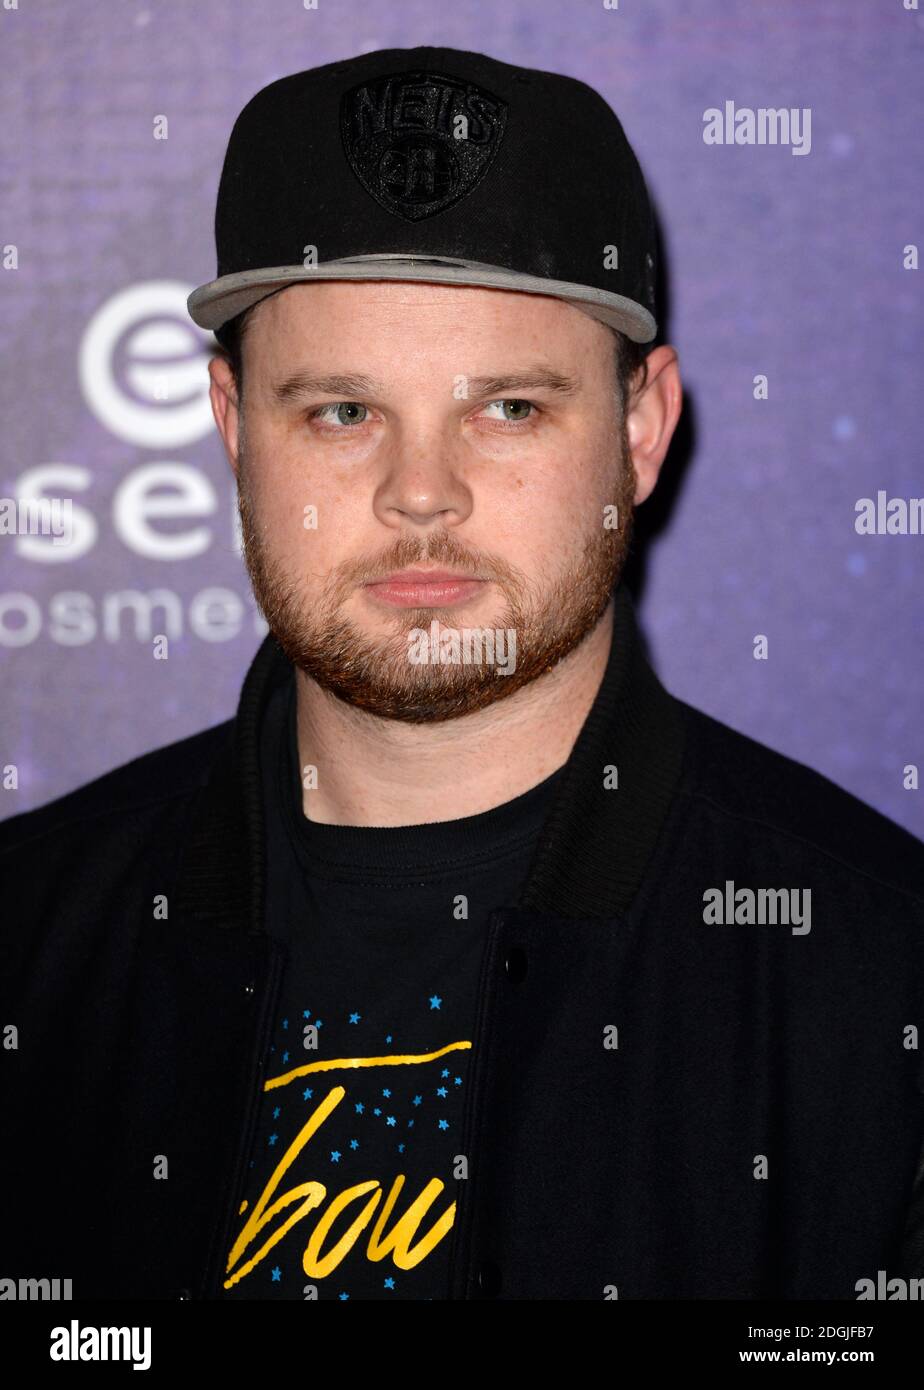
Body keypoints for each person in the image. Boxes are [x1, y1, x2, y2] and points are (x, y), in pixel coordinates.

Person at [2, 45, 924, 1303]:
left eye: (508, 409)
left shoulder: (878, 974)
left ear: (640, 431)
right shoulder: (30, 942)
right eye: (341, 412)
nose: (420, 493)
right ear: (230, 429)